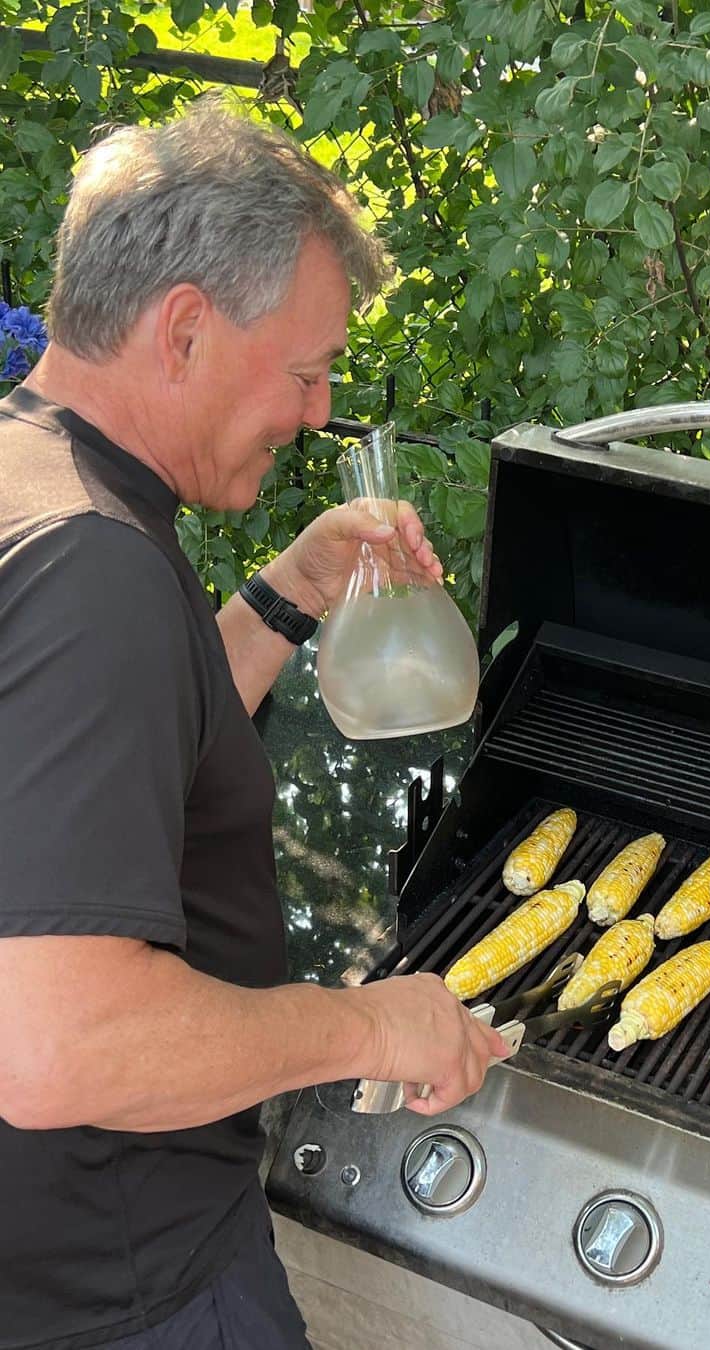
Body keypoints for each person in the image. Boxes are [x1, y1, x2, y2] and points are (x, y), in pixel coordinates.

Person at [0, 97, 508, 1350]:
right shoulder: (93, 571)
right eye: (304, 369)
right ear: (184, 329)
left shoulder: (32, 484)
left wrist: (291, 591)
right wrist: (371, 1023)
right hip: (133, 1289)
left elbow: (110, 767)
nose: (320, 410)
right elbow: (62, 1044)